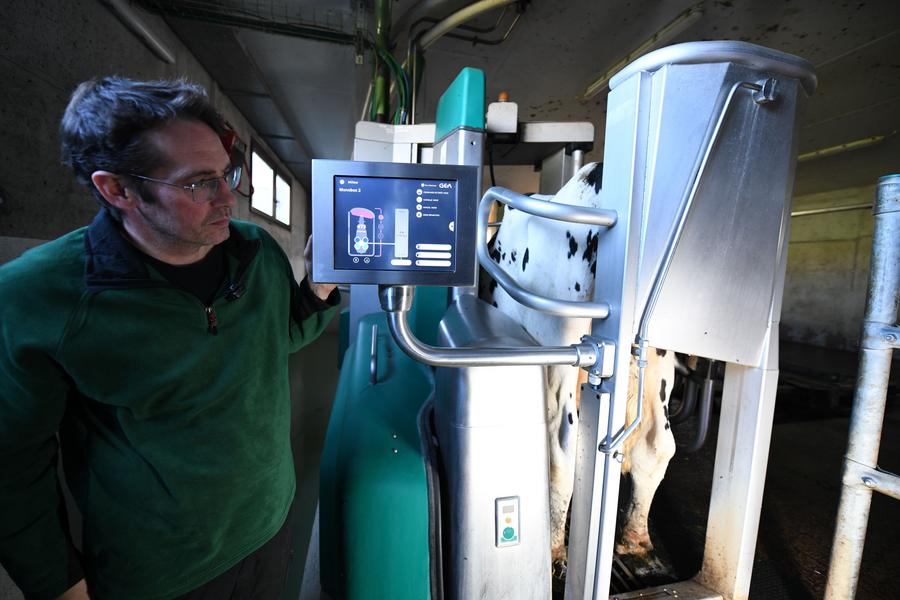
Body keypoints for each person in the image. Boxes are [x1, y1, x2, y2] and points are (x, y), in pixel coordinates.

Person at [0, 77, 340, 599]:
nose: (230, 197)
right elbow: (12, 465)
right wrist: (59, 584)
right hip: (164, 572)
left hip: (270, 525)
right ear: (117, 190)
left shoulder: (255, 252)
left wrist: (316, 289)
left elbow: (273, 342)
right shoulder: (38, 296)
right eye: (199, 183)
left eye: (231, 174)